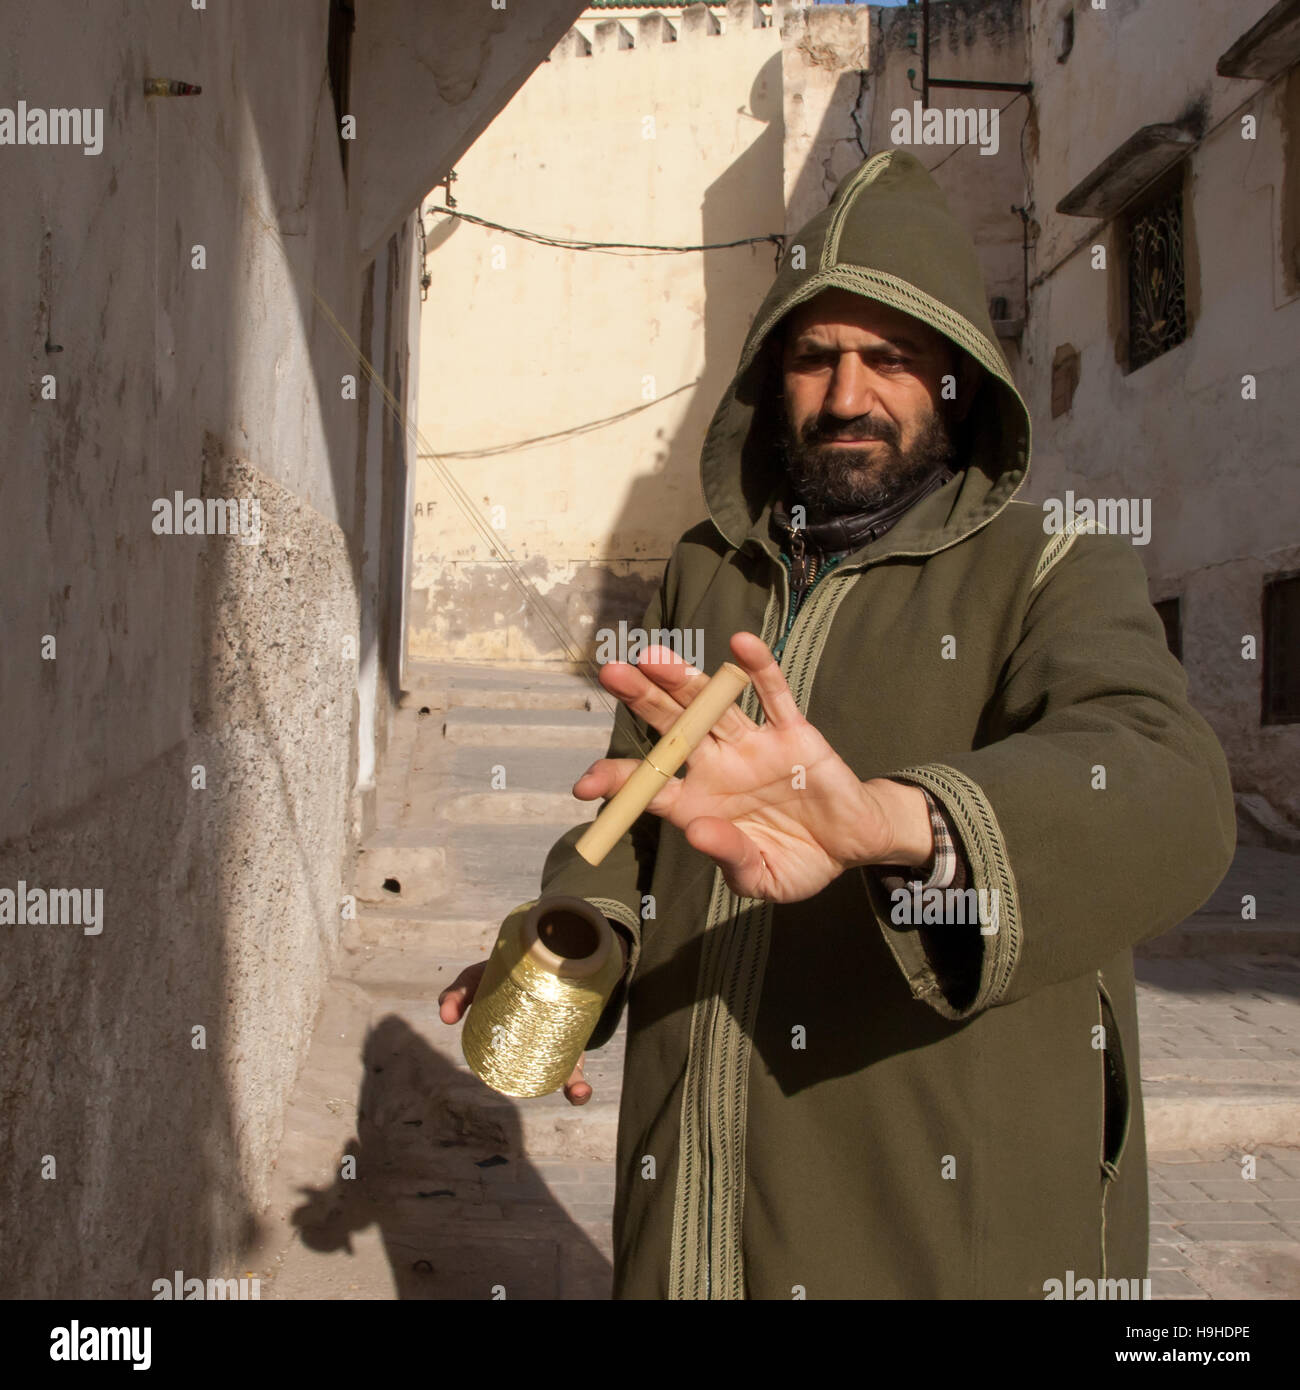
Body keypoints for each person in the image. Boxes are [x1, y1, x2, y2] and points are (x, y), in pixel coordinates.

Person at [439, 150, 1235, 1299]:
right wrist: (580, 938)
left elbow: (1169, 786)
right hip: (686, 1216)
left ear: (957, 377)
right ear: (773, 376)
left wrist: (896, 823)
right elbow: (633, 812)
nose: (848, 394)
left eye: (891, 358)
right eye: (815, 357)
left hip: (933, 1228)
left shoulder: (1053, 565)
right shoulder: (708, 574)